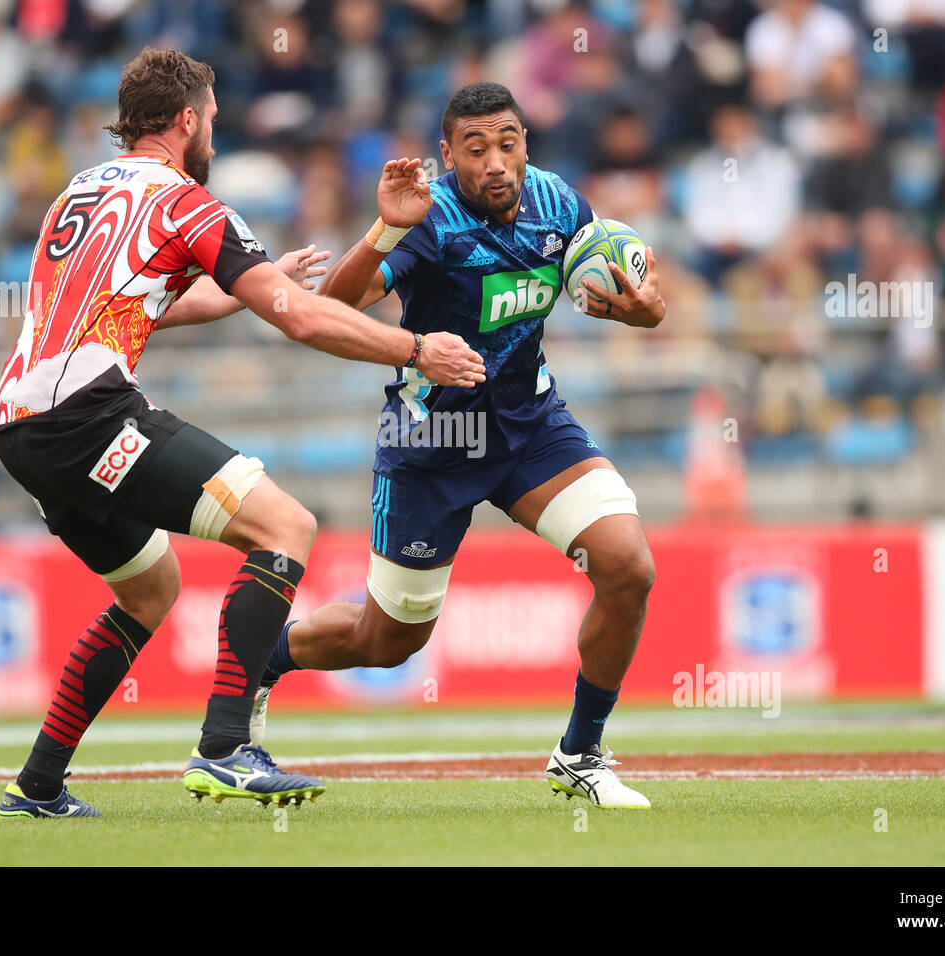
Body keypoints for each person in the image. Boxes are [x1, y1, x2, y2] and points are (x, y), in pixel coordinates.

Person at [0, 49, 485, 819]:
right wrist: (415, 348)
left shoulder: (80, 190)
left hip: (19, 424)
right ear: (187, 119)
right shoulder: (187, 202)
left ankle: (38, 785)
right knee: (284, 525)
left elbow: (138, 304)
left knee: (151, 590)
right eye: (213, 118)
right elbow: (300, 319)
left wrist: (254, 282)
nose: (215, 131)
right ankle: (224, 750)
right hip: (86, 417)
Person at [252, 82, 665, 810]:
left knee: (628, 566)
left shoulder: (560, 204)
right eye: (475, 150)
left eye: (508, 143)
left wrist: (646, 307)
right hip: (432, 440)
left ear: (526, 143)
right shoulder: (429, 219)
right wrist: (382, 231)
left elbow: (629, 285)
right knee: (388, 642)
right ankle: (265, 656)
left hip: (529, 425)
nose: (495, 162)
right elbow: (328, 311)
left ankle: (581, 752)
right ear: (448, 157)